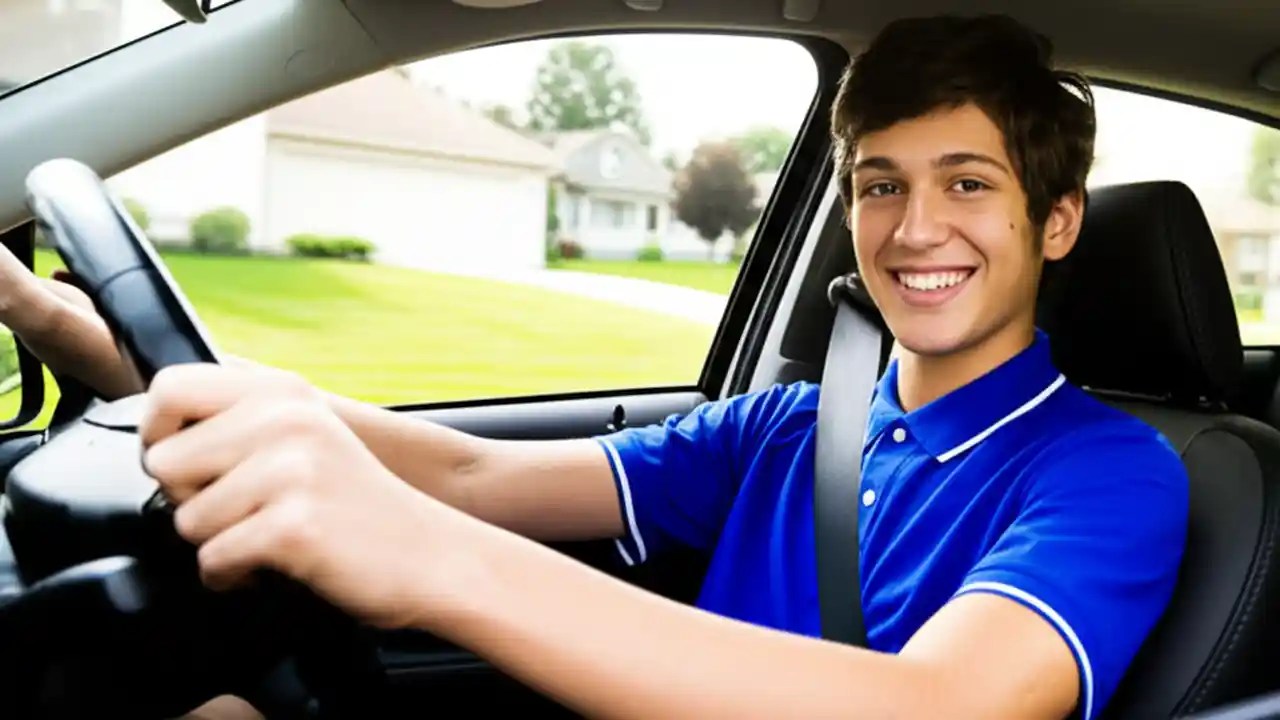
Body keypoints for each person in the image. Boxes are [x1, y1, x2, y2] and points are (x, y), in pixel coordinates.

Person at [0, 14, 1187, 720]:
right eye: (880, 185)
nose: (913, 229)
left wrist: (425, 563)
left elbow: (932, 708)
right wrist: (85, 339)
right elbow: (465, 476)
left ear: (1057, 220)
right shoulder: (785, 428)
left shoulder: (1108, 474)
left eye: (966, 184)